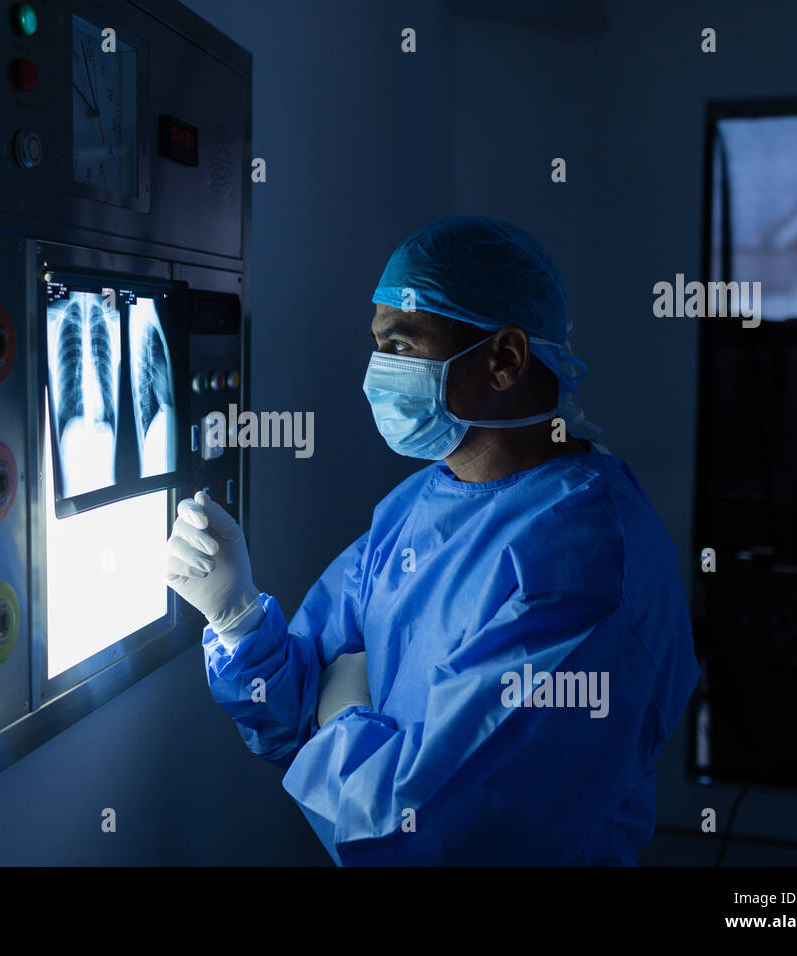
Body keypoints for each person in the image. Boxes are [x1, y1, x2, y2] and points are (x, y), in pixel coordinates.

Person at [166, 215, 700, 865]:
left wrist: (334, 719)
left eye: (401, 345)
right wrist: (238, 615)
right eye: (376, 346)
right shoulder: (419, 504)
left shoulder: (585, 561)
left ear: (505, 357)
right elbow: (292, 703)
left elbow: (431, 828)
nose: (375, 376)